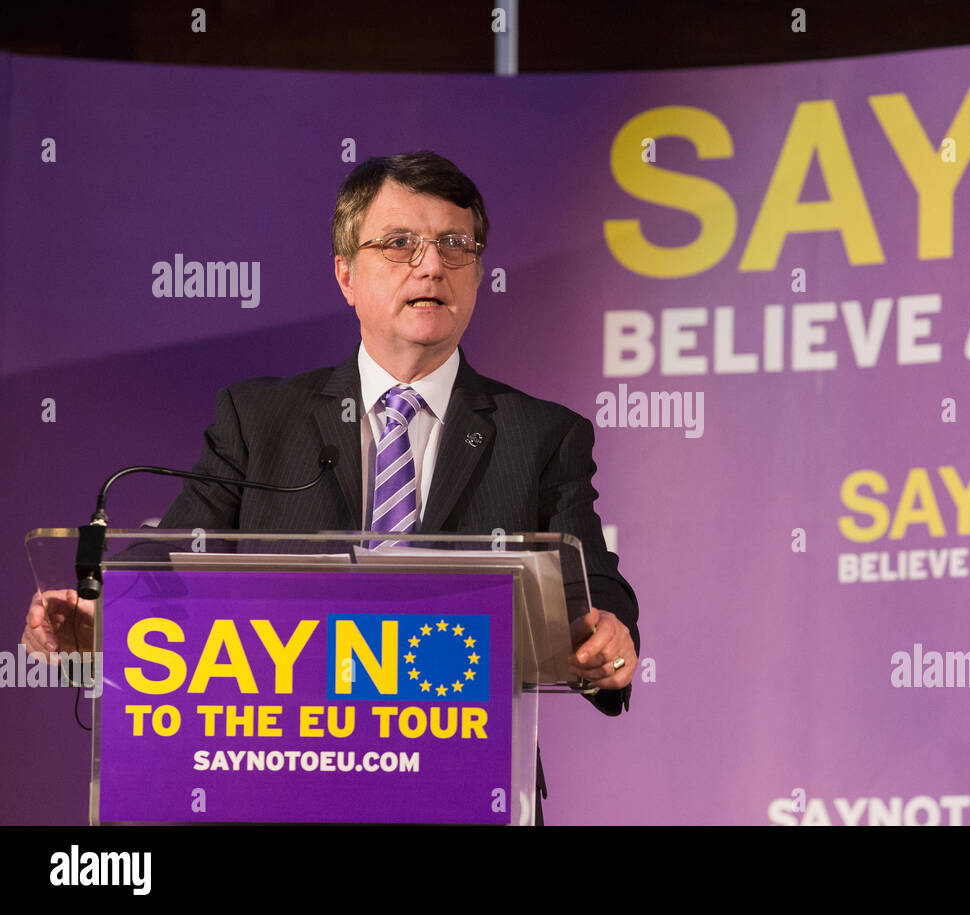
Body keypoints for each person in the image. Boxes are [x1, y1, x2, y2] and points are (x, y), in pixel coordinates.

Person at [22, 151, 639, 822]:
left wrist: (611, 632)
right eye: (400, 243)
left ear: (480, 273)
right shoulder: (261, 419)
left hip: (470, 783)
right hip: (286, 775)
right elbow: (172, 558)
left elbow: (594, 583)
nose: (430, 265)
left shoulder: (542, 433)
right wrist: (105, 617)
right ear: (346, 274)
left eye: (455, 245)